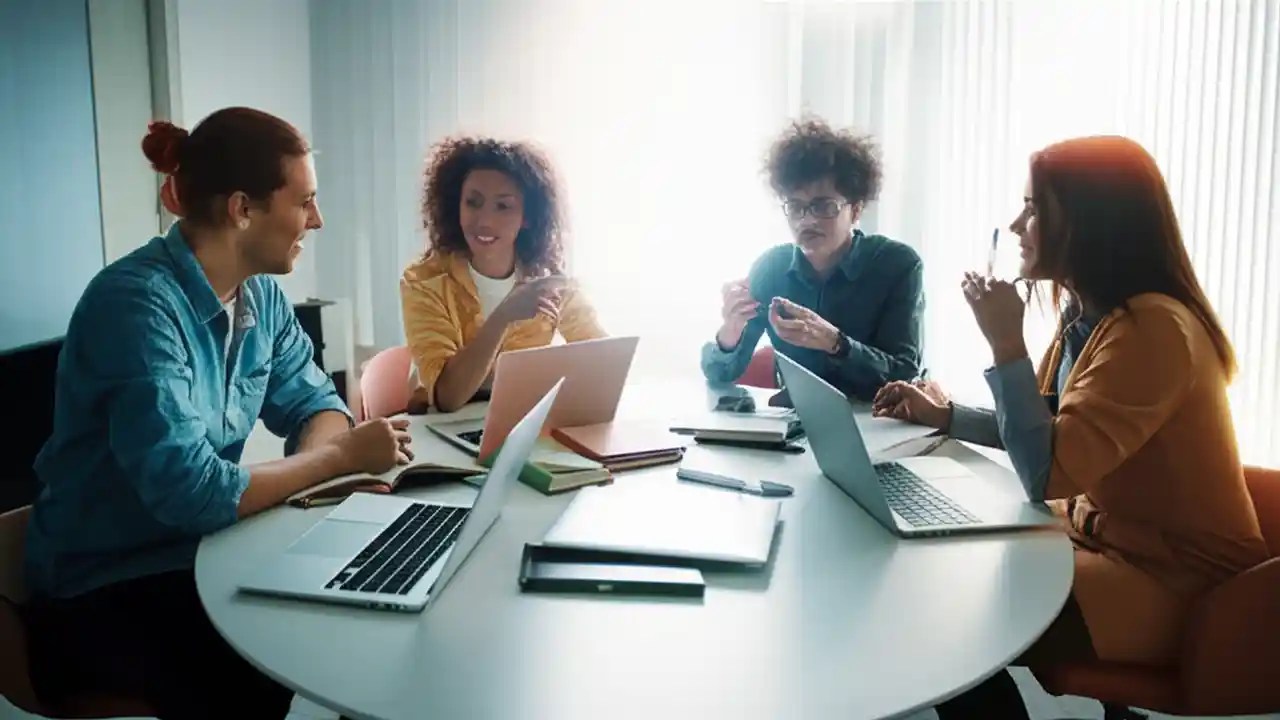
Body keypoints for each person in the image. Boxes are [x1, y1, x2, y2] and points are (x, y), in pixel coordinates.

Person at [23, 107, 414, 719]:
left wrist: (323, 456)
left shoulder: (259, 293)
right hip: (95, 592)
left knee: (354, 613)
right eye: (304, 200)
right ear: (242, 209)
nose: (317, 219)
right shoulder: (136, 307)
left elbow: (318, 403)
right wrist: (336, 459)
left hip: (197, 553)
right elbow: (195, 494)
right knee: (259, 659)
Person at [872, 135, 1269, 718]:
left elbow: (1047, 472)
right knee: (937, 577)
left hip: (1183, 584)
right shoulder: (1088, 315)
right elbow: (1052, 430)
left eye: (1034, 208)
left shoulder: (1153, 328)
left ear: (1088, 221)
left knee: (943, 621)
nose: (1015, 224)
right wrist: (947, 416)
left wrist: (1006, 343)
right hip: (1104, 544)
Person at [701, 117, 924, 402]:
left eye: (824, 207)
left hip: (878, 420)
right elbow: (720, 374)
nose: (807, 220)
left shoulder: (897, 265)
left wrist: (836, 343)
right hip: (797, 424)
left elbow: (905, 373)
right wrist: (730, 332)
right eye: (795, 207)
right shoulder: (771, 269)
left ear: (855, 211)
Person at [401, 136, 605, 413]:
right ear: (455, 206)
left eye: (503, 206)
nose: (484, 221)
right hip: (442, 425)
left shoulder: (546, 279)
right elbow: (449, 397)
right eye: (473, 202)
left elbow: (604, 359)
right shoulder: (424, 281)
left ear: (527, 217)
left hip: (516, 419)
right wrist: (504, 316)